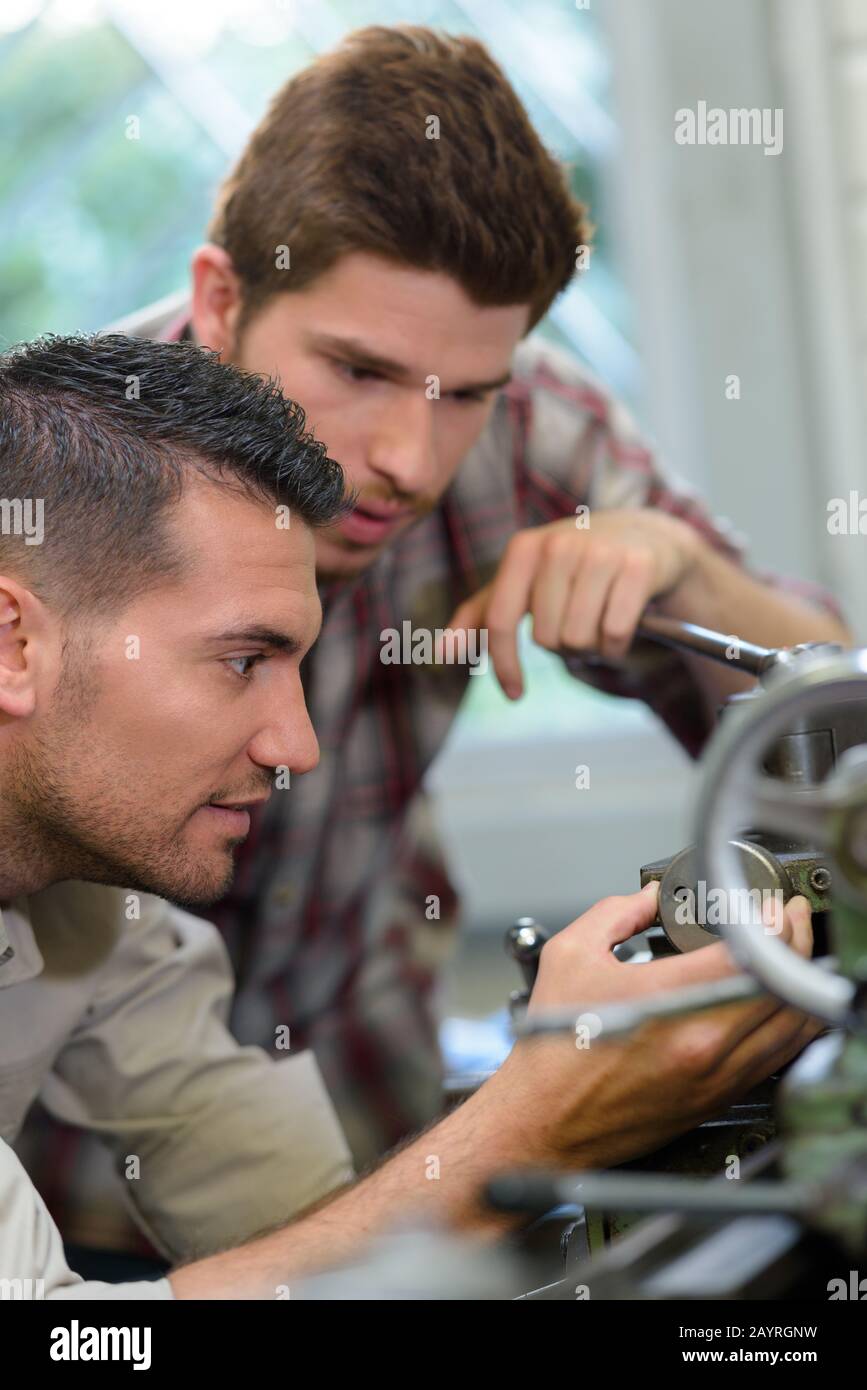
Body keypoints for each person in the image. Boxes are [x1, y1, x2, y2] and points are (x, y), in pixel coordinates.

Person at [0, 333, 822, 1299]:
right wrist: (534, 1125)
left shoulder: (96, 909)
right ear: (15, 646)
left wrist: (575, 1107)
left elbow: (279, 1204)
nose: (297, 748)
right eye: (242, 661)